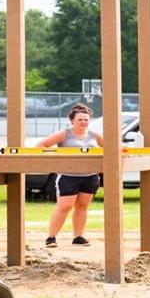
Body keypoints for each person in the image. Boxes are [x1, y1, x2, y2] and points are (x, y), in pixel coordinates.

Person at [38, 104, 104, 248]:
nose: (83, 122)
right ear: (72, 121)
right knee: (65, 206)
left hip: (90, 175)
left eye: (86, 120)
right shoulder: (64, 134)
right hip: (68, 175)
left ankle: (78, 237)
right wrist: (55, 160)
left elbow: (110, 147)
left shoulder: (94, 135)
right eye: (80, 119)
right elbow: (41, 145)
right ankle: (51, 237)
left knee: (82, 206)